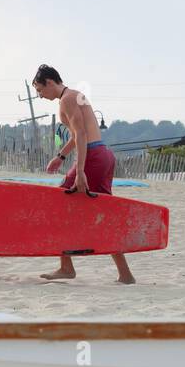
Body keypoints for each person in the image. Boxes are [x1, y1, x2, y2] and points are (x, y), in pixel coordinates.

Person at [34, 64, 135, 284]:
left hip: (93, 159)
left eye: (40, 91)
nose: (40, 96)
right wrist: (60, 157)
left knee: (57, 205)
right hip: (103, 155)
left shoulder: (67, 99)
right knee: (103, 214)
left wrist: (79, 171)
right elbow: (78, 134)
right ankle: (125, 275)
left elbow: (80, 133)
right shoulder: (75, 95)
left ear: (50, 82)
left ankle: (66, 268)